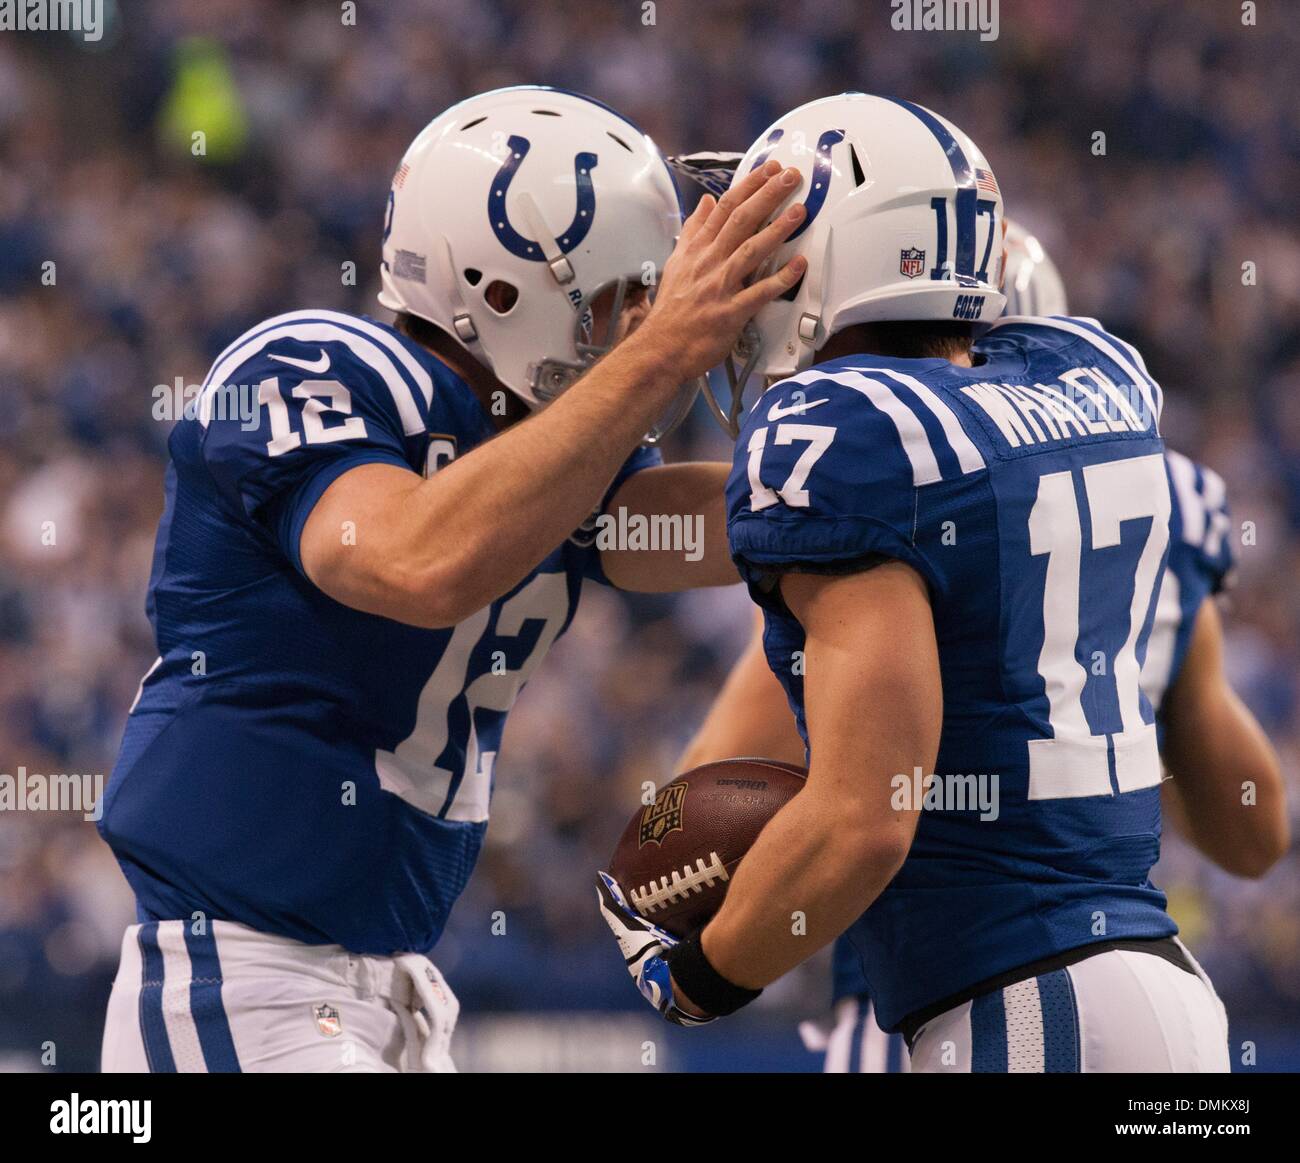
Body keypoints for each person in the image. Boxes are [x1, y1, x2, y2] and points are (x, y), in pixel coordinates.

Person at [98, 85, 807, 1073]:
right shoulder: (311, 364)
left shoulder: (543, 454)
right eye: (625, 297)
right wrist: (656, 354)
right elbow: (414, 559)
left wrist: (890, 463)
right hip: (244, 976)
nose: (646, 324)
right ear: (501, 288)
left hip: (390, 992)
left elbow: (742, 522)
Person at [599, 92, 1270, 1071]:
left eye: (772, 249)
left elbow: (862, 820)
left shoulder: (838, 437)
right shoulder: (1093, 373)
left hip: (1026, 1002)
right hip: (1154, 983)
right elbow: (1254, 834)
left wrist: (698, 973)